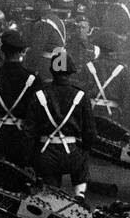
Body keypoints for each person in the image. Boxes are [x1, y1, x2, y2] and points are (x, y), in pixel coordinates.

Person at [27, 52, 94, 198]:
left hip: (46, 155)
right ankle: (80, 195)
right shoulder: (80, 95)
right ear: (70, 72)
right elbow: (89, 132)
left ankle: (51, 195)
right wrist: (84, 148)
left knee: (50, 186)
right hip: (72, 156)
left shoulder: (39, 94)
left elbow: (30, 131)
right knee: (83, 156)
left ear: (52, 71)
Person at [0, 28, 38, 167]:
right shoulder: (32, 79)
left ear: (2, 50)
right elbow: (35, 116)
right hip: (19, 138)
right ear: (22, 51)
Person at [23, 0, 66, 74]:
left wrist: (27, 67)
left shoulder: (44, 23)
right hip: (60, 62)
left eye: (34, 3)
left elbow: (36, 49)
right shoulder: (57, 20)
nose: (33, 6)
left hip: (47, 64)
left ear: (40, 3)